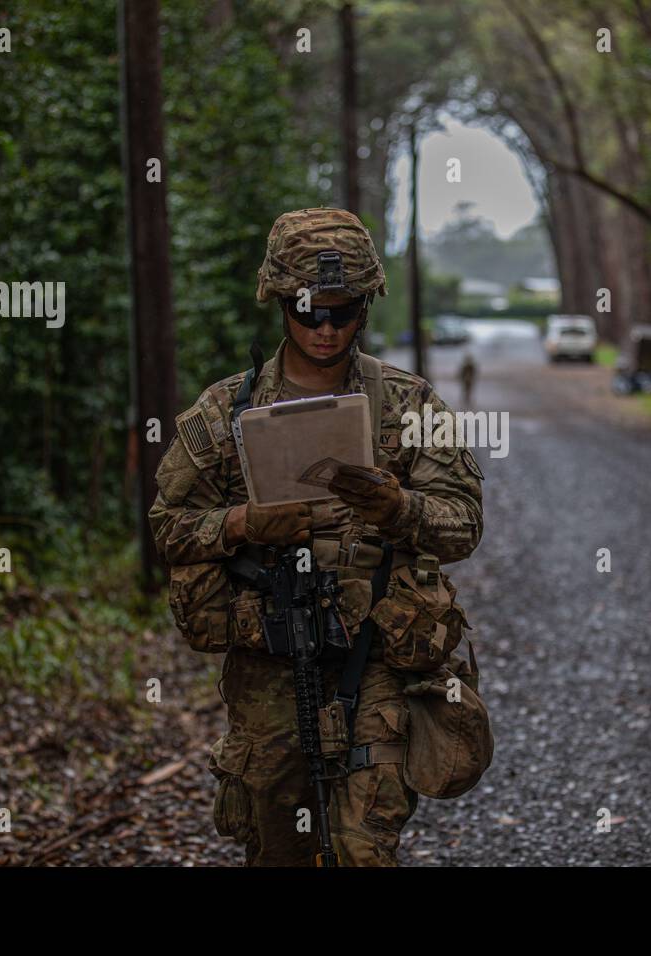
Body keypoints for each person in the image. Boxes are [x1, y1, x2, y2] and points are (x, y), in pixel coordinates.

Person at [148, 207, 485, 865]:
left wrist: (400, 509)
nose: (326, 328)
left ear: (365, 305)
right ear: (279, 303)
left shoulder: (409, 405)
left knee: (364, 848)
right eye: (308, 311)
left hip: (379, 654)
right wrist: (242, 523)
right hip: (271, 662)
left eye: (343, 310)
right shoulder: (223, 415)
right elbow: (167, 529)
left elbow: (465, 522)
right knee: (283, 848)